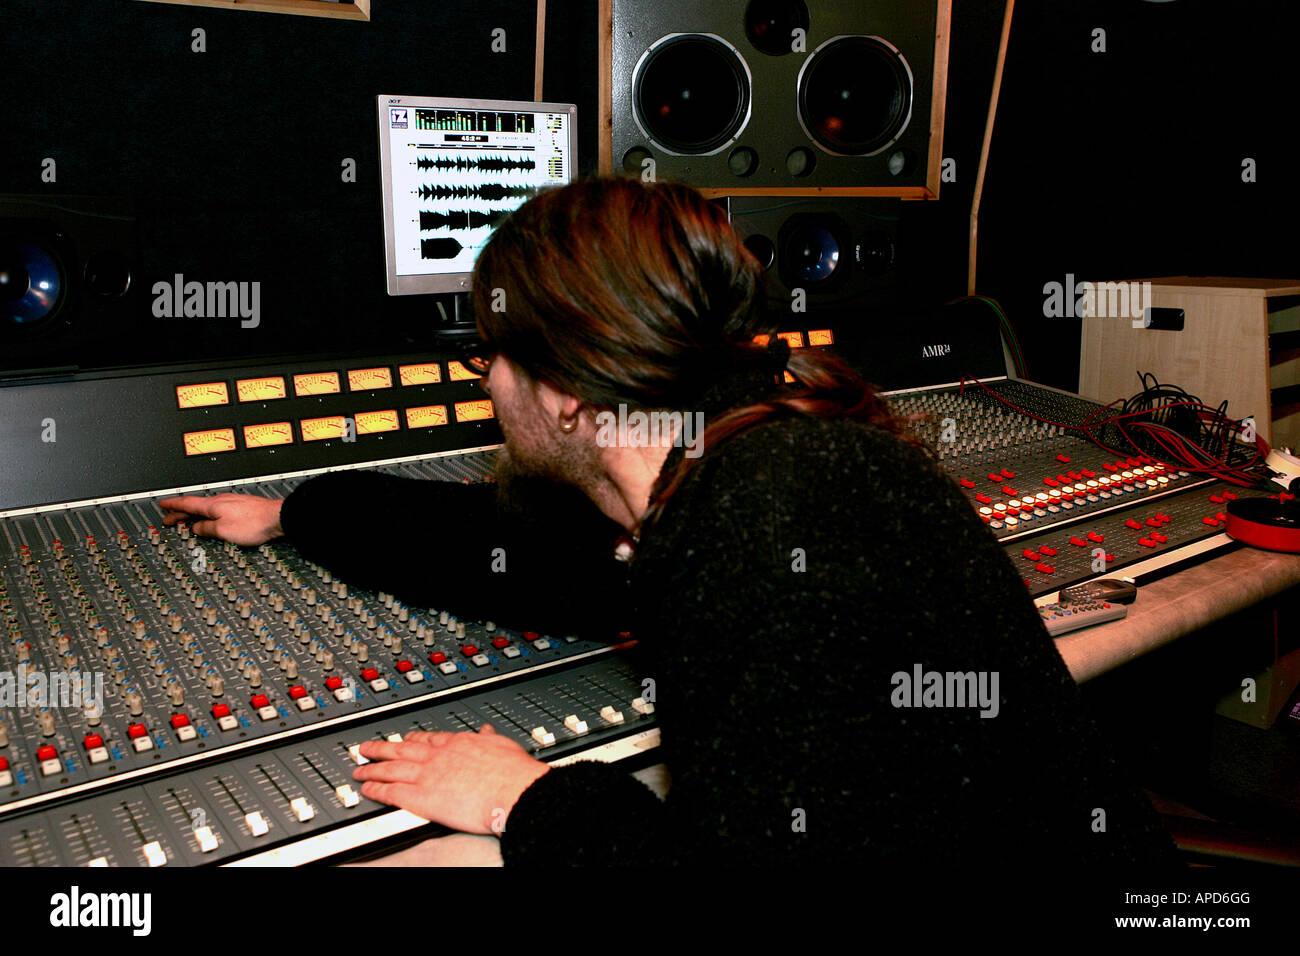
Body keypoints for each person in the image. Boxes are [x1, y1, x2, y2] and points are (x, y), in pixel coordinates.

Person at [161, 176, 1175, 868]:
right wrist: (297, 512)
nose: (485, 379)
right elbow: (505, 548)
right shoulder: (740, 446)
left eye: (492, 353)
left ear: (564, 390)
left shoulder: (759, 527)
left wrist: (523, 798)